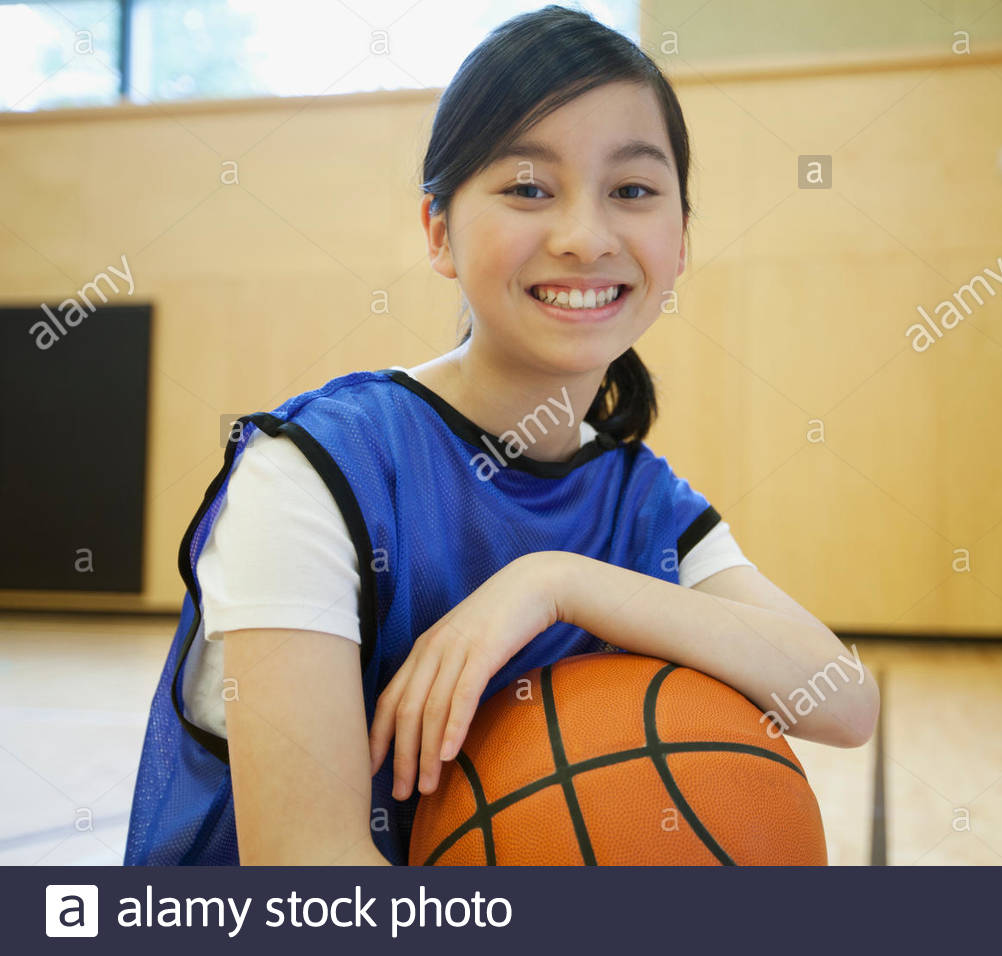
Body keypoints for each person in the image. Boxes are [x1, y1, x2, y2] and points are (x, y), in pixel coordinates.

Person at [124, 4, 876, 867]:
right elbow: (308, 870)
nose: (585, 238)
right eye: (528, 188)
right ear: (439, 232)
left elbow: (844, 700)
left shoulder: (644, 504)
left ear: (680, 242)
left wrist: (557, 584)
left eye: (632, 191)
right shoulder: (316, 471)